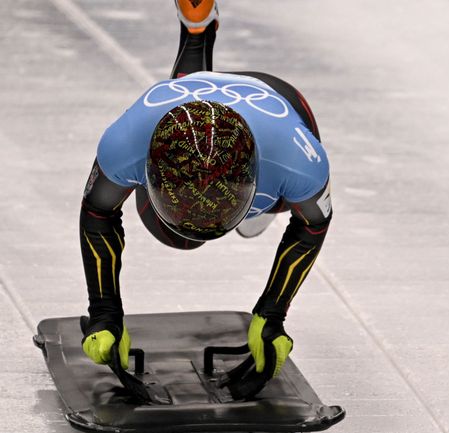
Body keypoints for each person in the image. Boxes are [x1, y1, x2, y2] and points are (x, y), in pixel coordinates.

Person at [79, 0, 333, 383]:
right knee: (179, 237)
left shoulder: (299, 161)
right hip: (243, 113)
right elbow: (97, 212)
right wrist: (104, 312)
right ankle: (196, 34)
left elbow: (314, 224)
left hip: (286, 111)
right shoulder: (126, 141)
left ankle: (196, 36)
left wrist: (272, 313)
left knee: (191, 233)